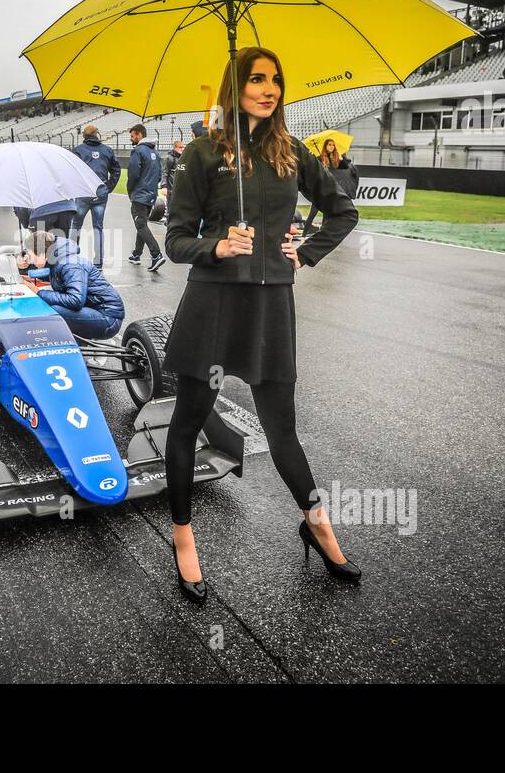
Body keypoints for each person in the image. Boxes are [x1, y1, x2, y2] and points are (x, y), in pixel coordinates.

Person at [163, 46, 361, 604]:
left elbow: (344, 211)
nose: (269, 88)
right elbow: (176, 239)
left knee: (282, 431)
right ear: (236, 87)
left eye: (276, 79)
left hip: (272, 304)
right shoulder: (202, 154)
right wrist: (217, 244)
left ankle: (317, 523)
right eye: (256, 79)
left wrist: (305, 252)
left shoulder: (294, 152)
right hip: (214, 304)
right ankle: (182, 536)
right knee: (187, 423)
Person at [20, 231, 125, 339]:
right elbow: (54, 277)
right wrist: (24, 272)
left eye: (32, 255)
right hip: (94, 309)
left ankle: (94, 345)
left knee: (55, 309)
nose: (31, 260)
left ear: (41, 253)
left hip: (108, 318)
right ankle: (79, 341)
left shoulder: (70, 264)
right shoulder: (57, 259)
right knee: (52, 302)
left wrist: (39, 292)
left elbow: (76, 300)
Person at [69, 124, 120, 268]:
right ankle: (98, 262)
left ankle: (72, 258)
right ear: (97, 134)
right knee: (98, 227)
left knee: (76, 225)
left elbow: (71, 172)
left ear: (84, 136)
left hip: (83, 193)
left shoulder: (78, 150)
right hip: (101, 193)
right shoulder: (107, 150)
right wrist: (109, 187)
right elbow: (116, 170)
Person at [125, 124, 164, 270]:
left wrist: (131, 191)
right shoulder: (155, 151)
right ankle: (137, 254)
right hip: (151, 194)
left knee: (140, 224)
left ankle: (156, 255)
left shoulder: (138, 151)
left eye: (133, 136)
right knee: (142, 224)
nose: (131, 139)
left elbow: (133, 174)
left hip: (140, 195)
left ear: (139, 135)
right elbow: (159, 175)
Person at [162, 139, 185, 224]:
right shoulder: (169, 158)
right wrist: (164, 186)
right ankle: (169, 225)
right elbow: (164, 172)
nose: (182, 149)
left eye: (183, 147)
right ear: (175, 147)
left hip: (180, 189)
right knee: (170, 208)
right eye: (180, 147)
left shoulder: (183, 157)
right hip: (171, 189)